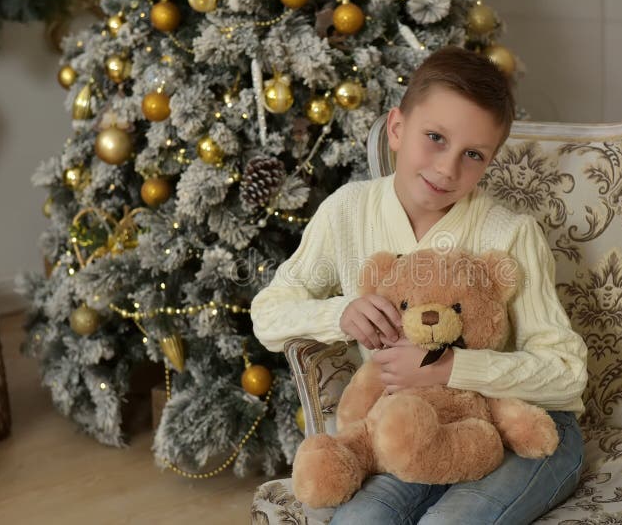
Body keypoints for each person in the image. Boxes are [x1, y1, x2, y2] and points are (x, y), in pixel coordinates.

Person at [250, 46, 588, 525]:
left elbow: (566, 373)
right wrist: (340, 312)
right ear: (396, 129)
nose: (448, 169)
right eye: (435, 138)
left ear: (490, 161)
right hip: (415, 427)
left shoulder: (510, 234)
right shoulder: (347, 212)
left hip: (528, 429)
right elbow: (267, 312)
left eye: (473, 154)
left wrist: (450, 369)